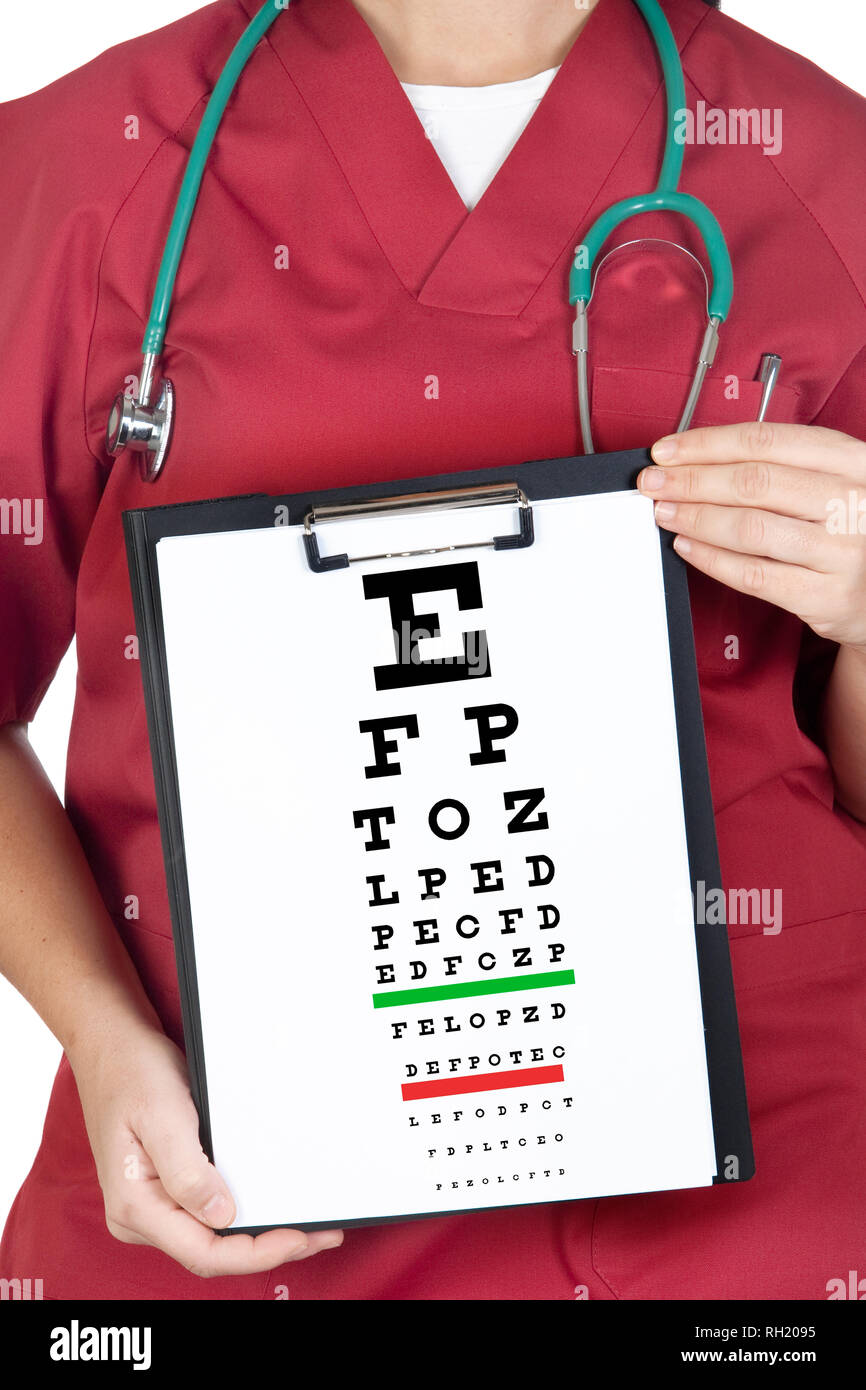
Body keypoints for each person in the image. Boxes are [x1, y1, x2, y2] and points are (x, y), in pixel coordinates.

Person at [1, 0, 864, 1301]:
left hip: (739, 1180)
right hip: (218, 1165)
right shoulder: (84, 166)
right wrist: (103, 1032)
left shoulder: (824, 171)